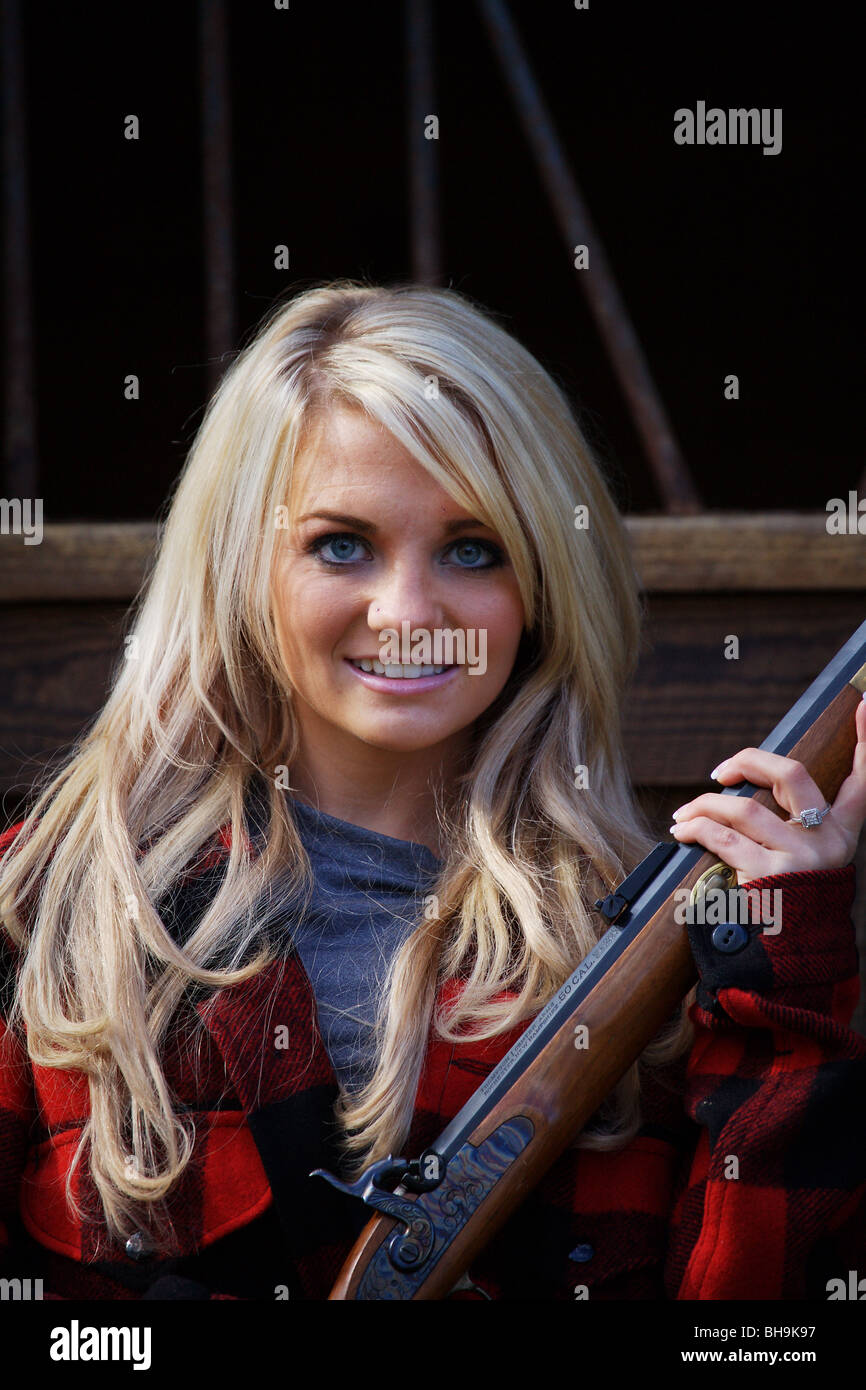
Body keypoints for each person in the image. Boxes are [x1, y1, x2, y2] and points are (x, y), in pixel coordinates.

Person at [1, 280, 864, 1302]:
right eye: (340, 544)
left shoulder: (651, 955)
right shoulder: (45, 905)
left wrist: (789, 984)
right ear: (240, 569)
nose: (409, 613)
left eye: (471, 548)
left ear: (539, 581)